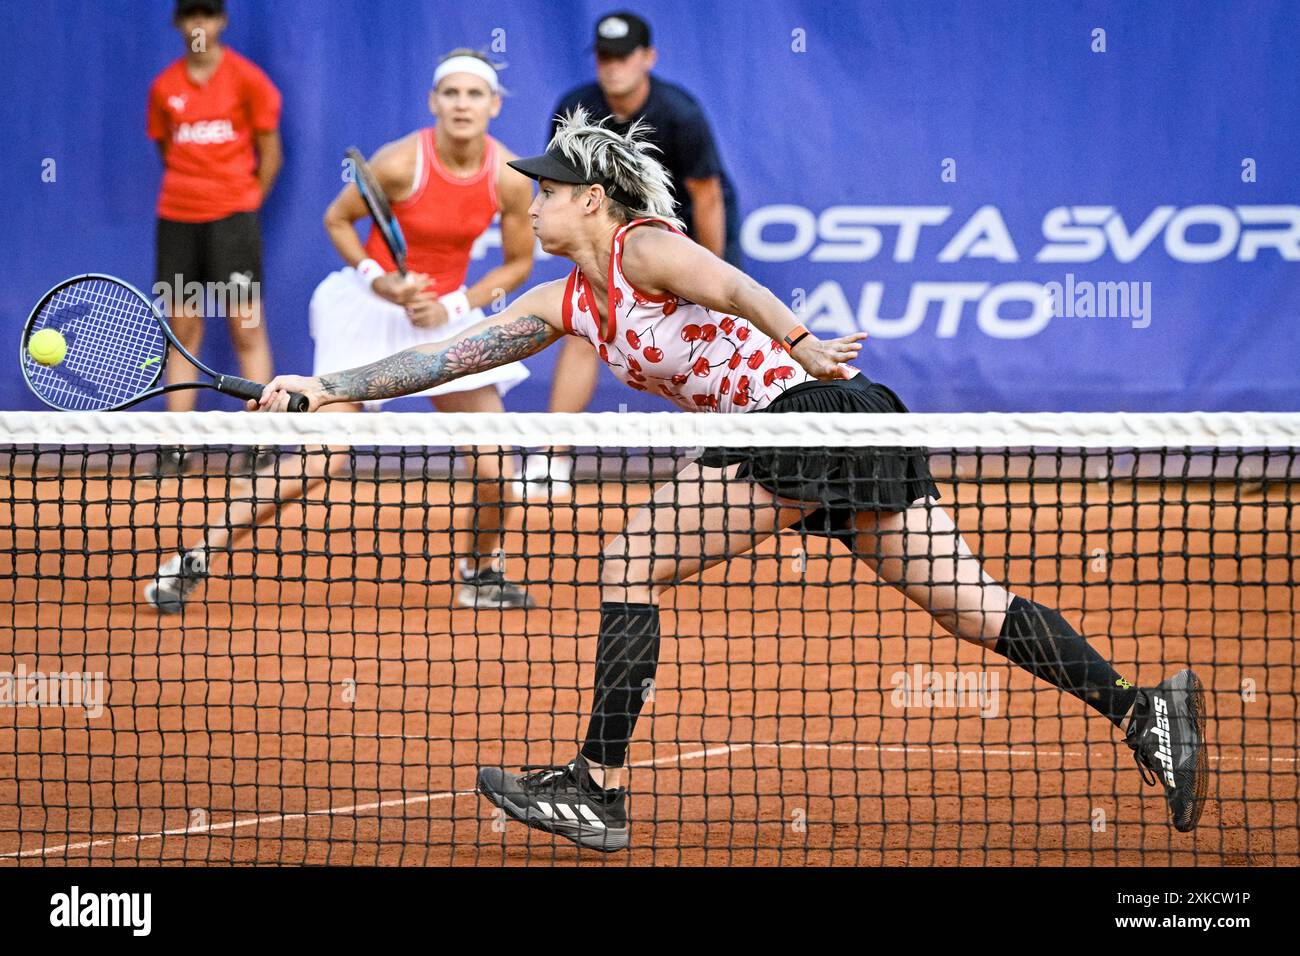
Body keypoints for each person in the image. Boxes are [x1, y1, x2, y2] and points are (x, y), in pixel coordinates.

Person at [252, 109, 1208, 851]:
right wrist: (323, 386)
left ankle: (597, 788)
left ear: (593, 198)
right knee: (969, 608)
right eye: (530, 190)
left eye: (547, 189)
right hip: (826, 432)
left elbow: (735, 285)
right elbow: (443, 361)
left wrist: (801, 342)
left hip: (808, 416)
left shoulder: (643, 246)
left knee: (630, 561)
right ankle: (1140, 708)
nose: (530, 200)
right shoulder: (566, 300)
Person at [146, 49, 538, 613]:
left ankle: (479, 574)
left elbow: (517, 265)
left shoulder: (508, 178)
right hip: (366, 311)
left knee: (497, 465)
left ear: (494, 105)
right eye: (450, 93)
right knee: (321, 455)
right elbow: (338, 218)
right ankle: (192, 559)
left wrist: (455, 301)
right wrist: (380, 280)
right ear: (434, 102)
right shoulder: (400, 163)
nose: (461, 104)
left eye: (474, 94)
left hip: (445, 318)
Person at [516, 10, 742, 498]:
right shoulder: (574, 106)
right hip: (606, 237)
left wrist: (706, 269)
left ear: (648, 58)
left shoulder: (680, 112)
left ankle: (728, 444)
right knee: (583, 331)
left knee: (703, 344)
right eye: (604, 57)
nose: (612, 66)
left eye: (623, 57)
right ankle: (552, 458)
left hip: (681, 241)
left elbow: (706, 194)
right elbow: (560, 188)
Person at [147, 0, 283, 474]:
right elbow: (168, 150)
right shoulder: (165, 87)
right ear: (179, 24)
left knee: (245, 324)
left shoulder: (248, 80)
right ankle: (176, 445)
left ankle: (261, 441)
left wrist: (243, 203)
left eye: (206, 14)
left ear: (221, 22)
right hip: (178, 220)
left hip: (233, 222)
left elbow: (271, 153)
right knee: (183, 329)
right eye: (189, 16)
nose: (197, 25)